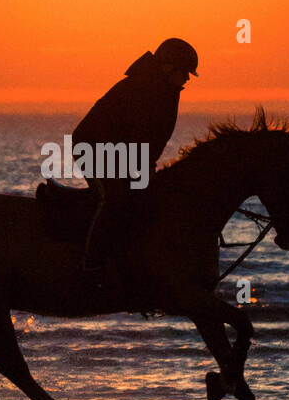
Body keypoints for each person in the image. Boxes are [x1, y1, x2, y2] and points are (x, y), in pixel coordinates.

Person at [71, 38, 198, 287]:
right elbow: (136, 138)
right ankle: (90, 268)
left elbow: (149, 142)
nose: (187, 79)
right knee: (116, 199)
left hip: (122, 153)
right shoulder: (141, 88)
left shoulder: (164, 91)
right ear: (168, 67)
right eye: (184, 72)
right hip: (92, 148)